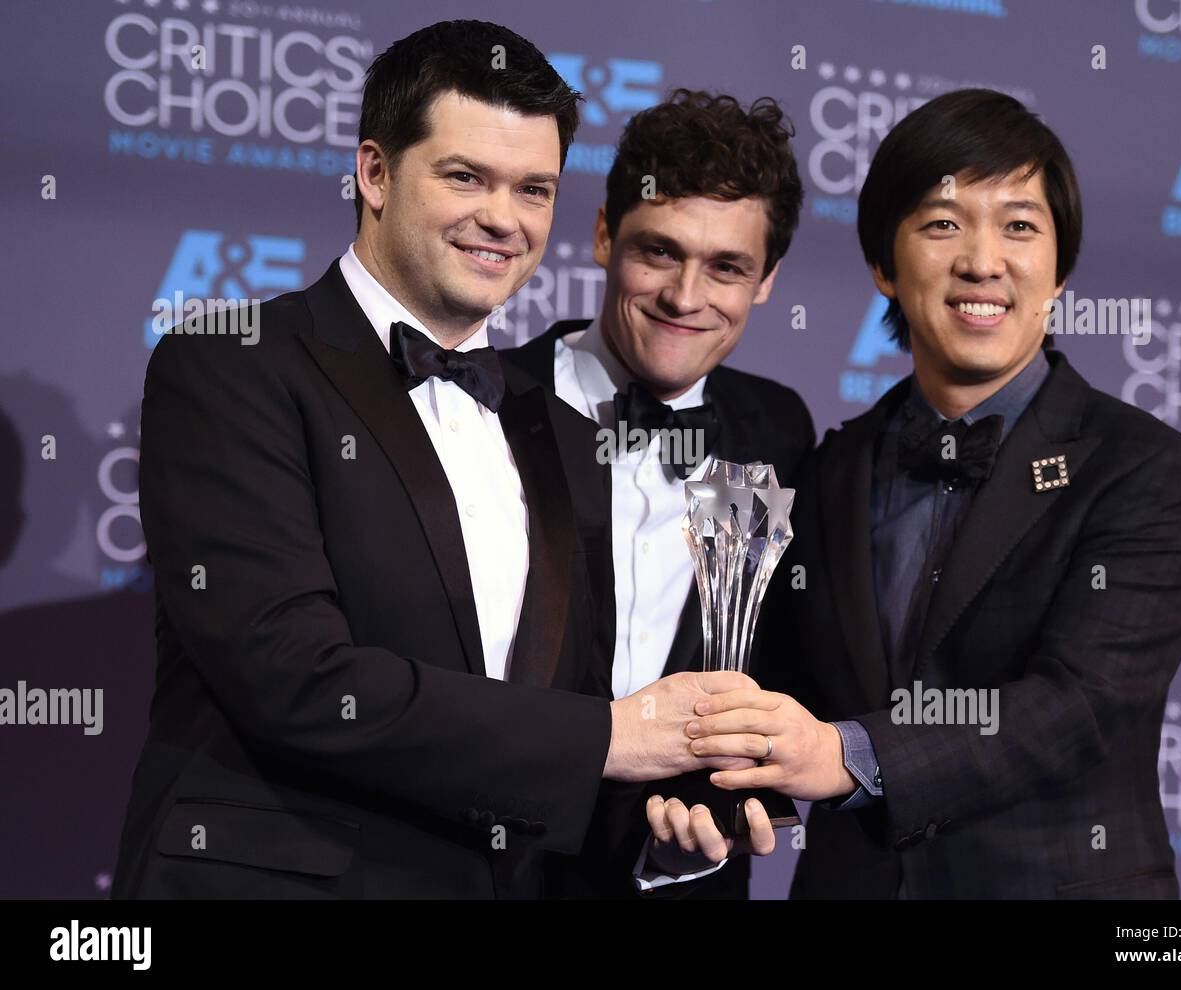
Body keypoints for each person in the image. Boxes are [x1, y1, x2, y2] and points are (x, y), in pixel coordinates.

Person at [111, 19, 751, 900]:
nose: (503, 218)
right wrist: (611, 737)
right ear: (374, 173)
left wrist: (658, 842)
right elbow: (289, 675)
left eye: (534, 189)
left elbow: (539, 720)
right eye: (465, 177)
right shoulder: (234, 360)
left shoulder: (561, 433)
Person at [687, 88, 1181, 899]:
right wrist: (717, 786)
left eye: (1019, 225)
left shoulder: (1148, 470)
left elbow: (1077, 706)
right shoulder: (827, 470)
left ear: (1061, 269)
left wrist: (848, 755)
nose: (981, 261)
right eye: (942, 223)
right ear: (882, 264)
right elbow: (781, 691)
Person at [505, 89, 812, 897]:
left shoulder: (776, 431)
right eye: (660, 252)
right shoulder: (492, 403)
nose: (686, 296)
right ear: (605, 235)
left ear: (768, 280)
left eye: (727, 268)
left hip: (684, 881)